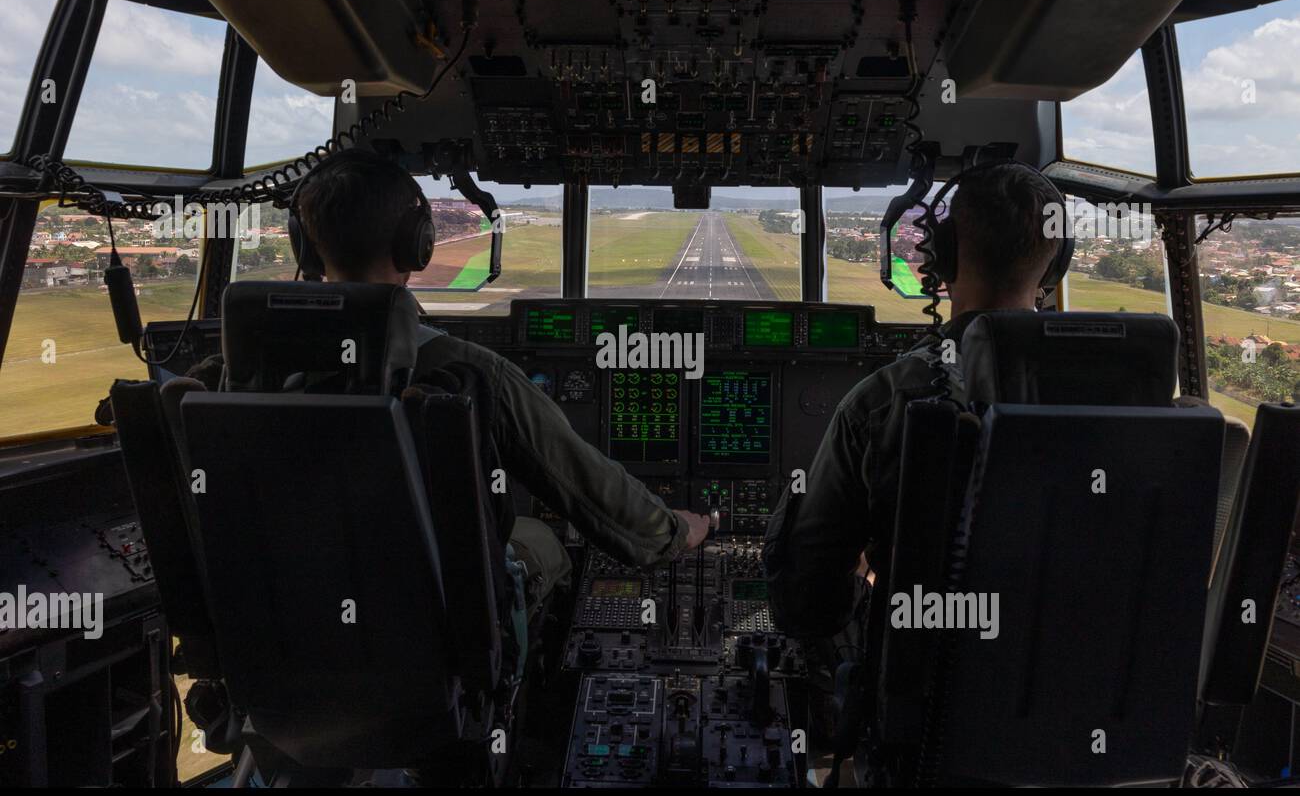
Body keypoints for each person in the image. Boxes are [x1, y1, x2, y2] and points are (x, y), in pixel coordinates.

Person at [187, 149, 712, 634]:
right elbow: (589, 490)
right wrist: (676, 531)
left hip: (285, 632)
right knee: (543, 539)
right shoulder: (467, 373)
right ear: (417, 244)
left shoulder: (238, 372)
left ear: (305, 245)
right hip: (428, 641)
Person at [763, 162, 1065, 639]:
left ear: (941, 255)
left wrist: (867, 580)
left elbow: (808, 600)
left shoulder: (886, 401)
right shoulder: (1129, 397)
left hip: (918, 689)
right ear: (1056, 261)